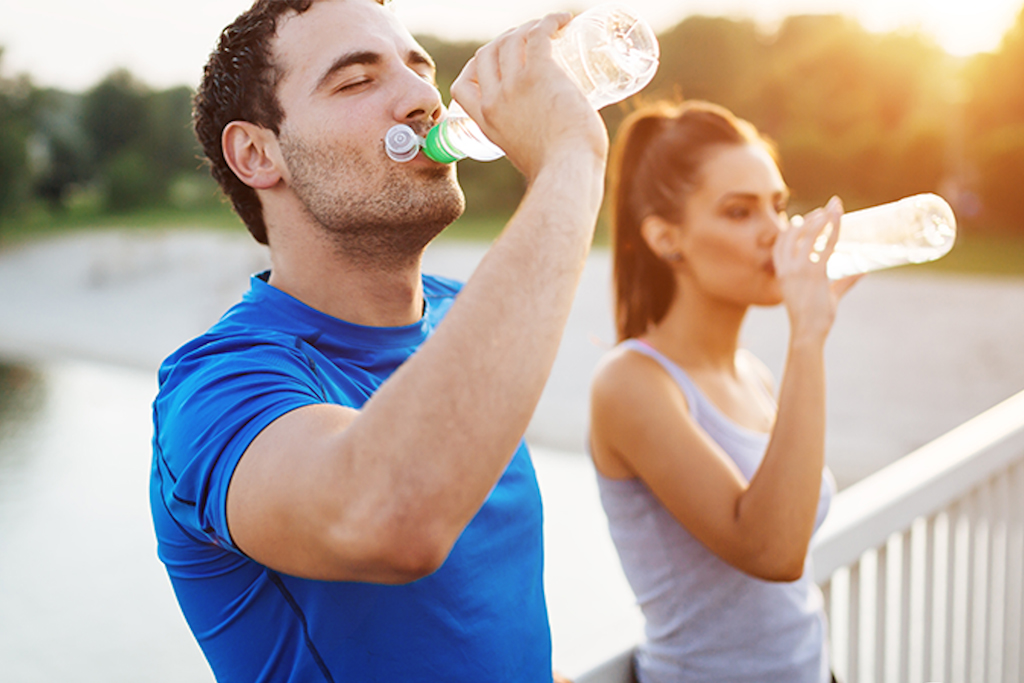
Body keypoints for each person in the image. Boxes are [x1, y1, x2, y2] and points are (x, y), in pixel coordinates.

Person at [149, 0, 607, 681]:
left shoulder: (467, 320)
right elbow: (392, 515)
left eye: (419, 68)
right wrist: (571, 157)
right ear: (256, 152)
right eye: (356, 80)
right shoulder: (213, 390)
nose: (424, 97)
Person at [588, 99, 860, 683]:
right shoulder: (631, 383)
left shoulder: (751, 372)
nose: (776, 233)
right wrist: (807, 337)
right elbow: (773, 552)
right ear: (666, 239)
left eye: (779, 206)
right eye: (740, 212)